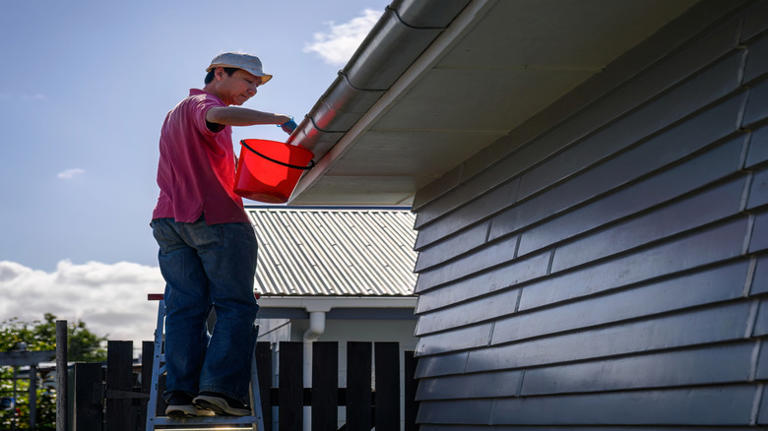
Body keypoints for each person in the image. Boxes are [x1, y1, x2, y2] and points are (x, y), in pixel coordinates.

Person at [150, 52, 296, 417]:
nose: (252, 91)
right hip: (215, 218)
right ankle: (219, 391)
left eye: (256, 86)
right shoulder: (203, 103)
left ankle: (180, 394)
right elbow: (217, 116)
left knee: (186, 308)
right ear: (219, 72)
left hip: (170, 221)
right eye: (248, 81)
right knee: (235, 304)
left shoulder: (174, 114)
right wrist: (277, 120)